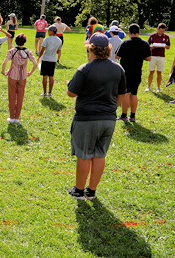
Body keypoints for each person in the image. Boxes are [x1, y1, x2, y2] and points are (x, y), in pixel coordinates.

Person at [66, 33, 127, 200]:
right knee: (100, 155)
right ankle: (91, 191)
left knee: (84, 155)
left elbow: (71, 93)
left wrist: (70, 85)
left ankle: (79, 191)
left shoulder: (85, 69)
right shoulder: (118, 69)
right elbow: (122, 94)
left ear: (91, 49)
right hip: (108, 119)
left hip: (87, 119)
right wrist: (113, 108)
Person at [115, 23, 151, 122]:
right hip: (137, 71)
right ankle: (133, 116)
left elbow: (117, 57)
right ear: (139, 32)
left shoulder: (125, 43)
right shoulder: (145, 44)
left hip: (125, 72)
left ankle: (124, 115)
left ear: (129, 32)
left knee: (126, 94)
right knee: (134, 94)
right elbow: (149, 58)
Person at [2, 34, 38, 124]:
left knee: (12, 96)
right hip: (23, 76)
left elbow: (5, 62)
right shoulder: (28, 52)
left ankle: (12, 117)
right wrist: (31, 72)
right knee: (20, 97)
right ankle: (17, 118)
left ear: (16, 41)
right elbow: (35, 63)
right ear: (24, 42)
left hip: (12, 76)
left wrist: (3, 71)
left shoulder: (12, 51)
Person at [38, 26, 63, 96]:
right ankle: (50, 93)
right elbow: (58, 51)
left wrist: (39, 57)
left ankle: (44, 93)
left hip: (45, 59)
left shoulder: (47, 39)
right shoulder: (59, 40)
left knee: (45, 76)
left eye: (49, 31)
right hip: (53, 60)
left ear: (52, 31)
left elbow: (42, 50)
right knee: (51, 76)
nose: (48, 32)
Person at [147, 22, 170, 92]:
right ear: (157, 29)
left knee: (159, 72)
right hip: (153, 56)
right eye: (160, 31)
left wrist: (164, 46)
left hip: (161, 56)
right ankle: (149, 87)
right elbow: (147, 45)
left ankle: (158, 88)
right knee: (151, 71)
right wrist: (151, 47)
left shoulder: (166, 37)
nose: (161, 32)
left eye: (163, 31)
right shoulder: (152, 36)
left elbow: (168, 47)